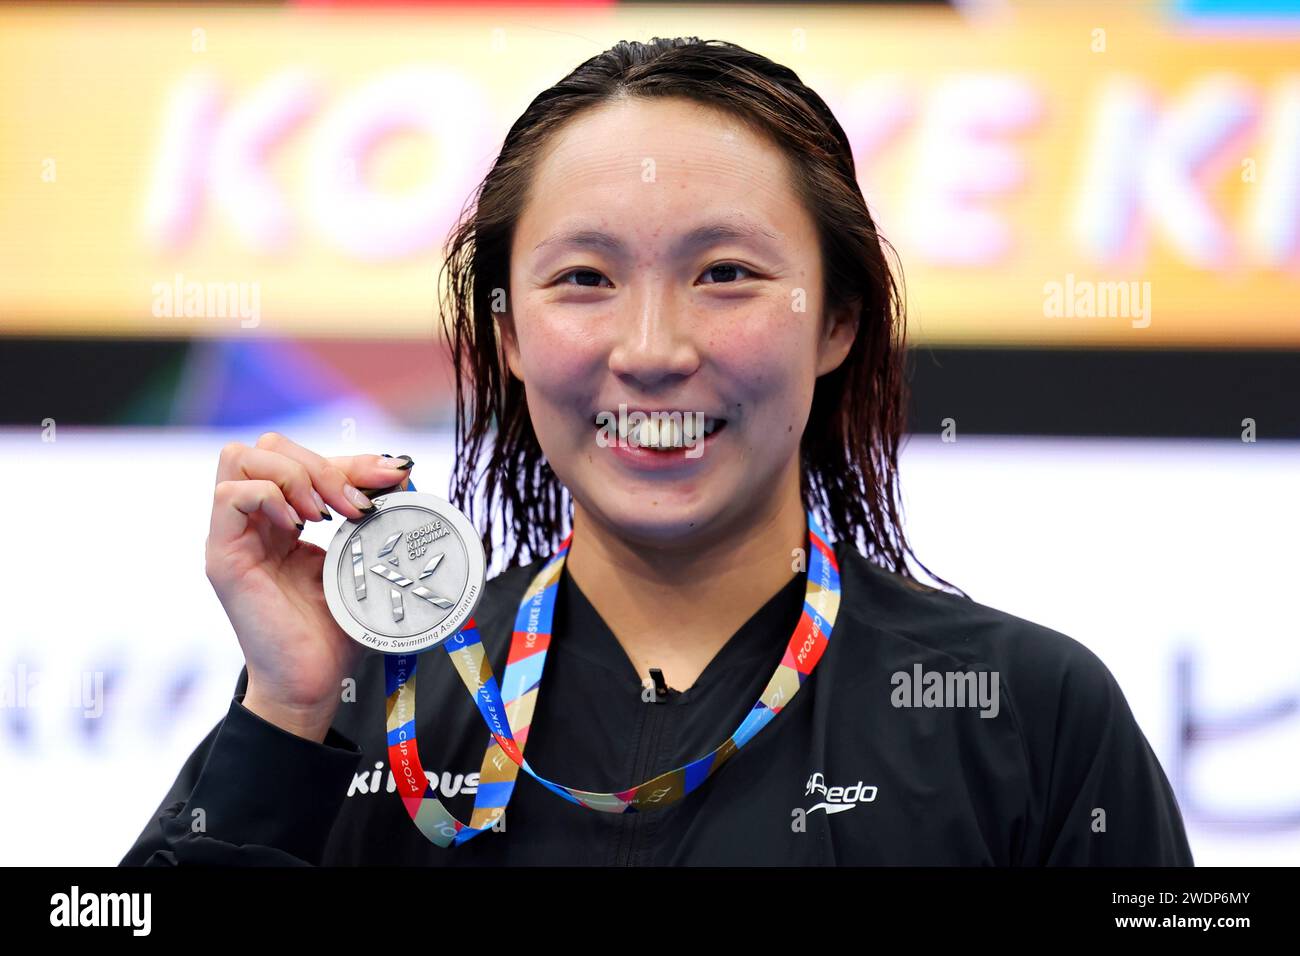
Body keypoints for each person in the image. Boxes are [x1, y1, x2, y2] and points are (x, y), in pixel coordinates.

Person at [121, 37, 1192, 866]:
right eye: (583, 279)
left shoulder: (1026, 712)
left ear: (838, 321)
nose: (651, 350)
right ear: (507, 333)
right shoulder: (371, 708)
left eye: (724, 272)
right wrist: (286, 712)